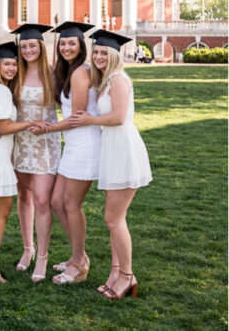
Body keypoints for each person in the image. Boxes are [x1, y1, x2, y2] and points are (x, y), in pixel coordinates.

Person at [69, 30, 152, 300]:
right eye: (96, 52)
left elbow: (117, 117)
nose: (99, 56)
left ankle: (127, 276)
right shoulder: (105, 81)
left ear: (115, 55)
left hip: (123, 149)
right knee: (115, 219)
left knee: (113, 219)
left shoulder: (118, 80)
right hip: (112, 150)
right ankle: (116, 273)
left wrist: (88, 119)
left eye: (104, 52)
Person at [0, 41, 42, 283]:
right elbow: (3, 127)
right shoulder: (0, 90)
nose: (12, 68)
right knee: (2, 211)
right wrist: (31, 123)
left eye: (15, 64)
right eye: (7, 64)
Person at [46, 21, 99, 285]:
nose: (66, 47)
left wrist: (49, 128)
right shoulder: (66, 71)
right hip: (73, 144)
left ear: (81, 47)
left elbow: (77, 116)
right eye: (63, 43)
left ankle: (79, 264)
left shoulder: (80, 72)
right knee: (57, 202)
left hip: (85, 143)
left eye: (71, 43)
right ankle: (79, 256)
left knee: (71, 204)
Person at [9, 24, 61, 282]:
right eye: (24, 46)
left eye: (32, 45)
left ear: (41, 47)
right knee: (24, 195)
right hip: (20, 142)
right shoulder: (14, 73)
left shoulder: (53, 74)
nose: (28, 50)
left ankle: (43, 256)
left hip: (45, 144)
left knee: (42, 200)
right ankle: (28, 248)